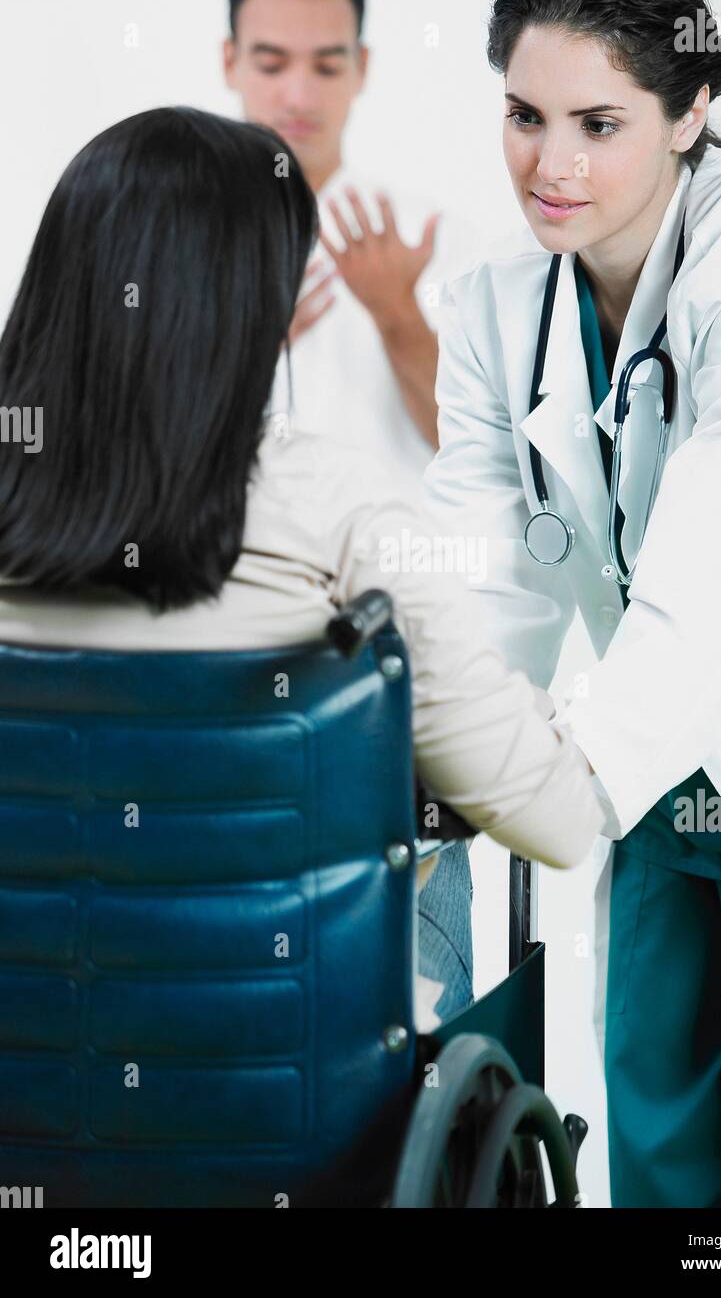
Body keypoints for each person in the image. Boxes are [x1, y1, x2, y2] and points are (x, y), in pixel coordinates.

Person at [0, 107, 618, 1037]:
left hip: (32, 1042)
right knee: (418, 817)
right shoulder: (338, 509)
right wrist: (511, 715)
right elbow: (560, 823)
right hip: (289, 1057)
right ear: (256, 304)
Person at [422, 0, 721, 1206]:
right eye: (523, 115)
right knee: (665, 1149)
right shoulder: (498, 307)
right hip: (665, 782)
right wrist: (436, 751)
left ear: (688, 112)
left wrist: (556, 782)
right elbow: (479, 569)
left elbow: (720, 572)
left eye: (597, 124)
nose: (549, 163)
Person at [223, 0, 483, 1015]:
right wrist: (238, 335)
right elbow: (119, 441)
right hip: (219, 676)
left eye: (326, 62)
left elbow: (480, 448)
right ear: (230, 61)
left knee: (412, 1005)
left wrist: (396, 315)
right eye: (271, 59)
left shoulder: (423, 235)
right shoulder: (177, 236)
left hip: (390, 687)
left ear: (362, 68)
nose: (299, 89)